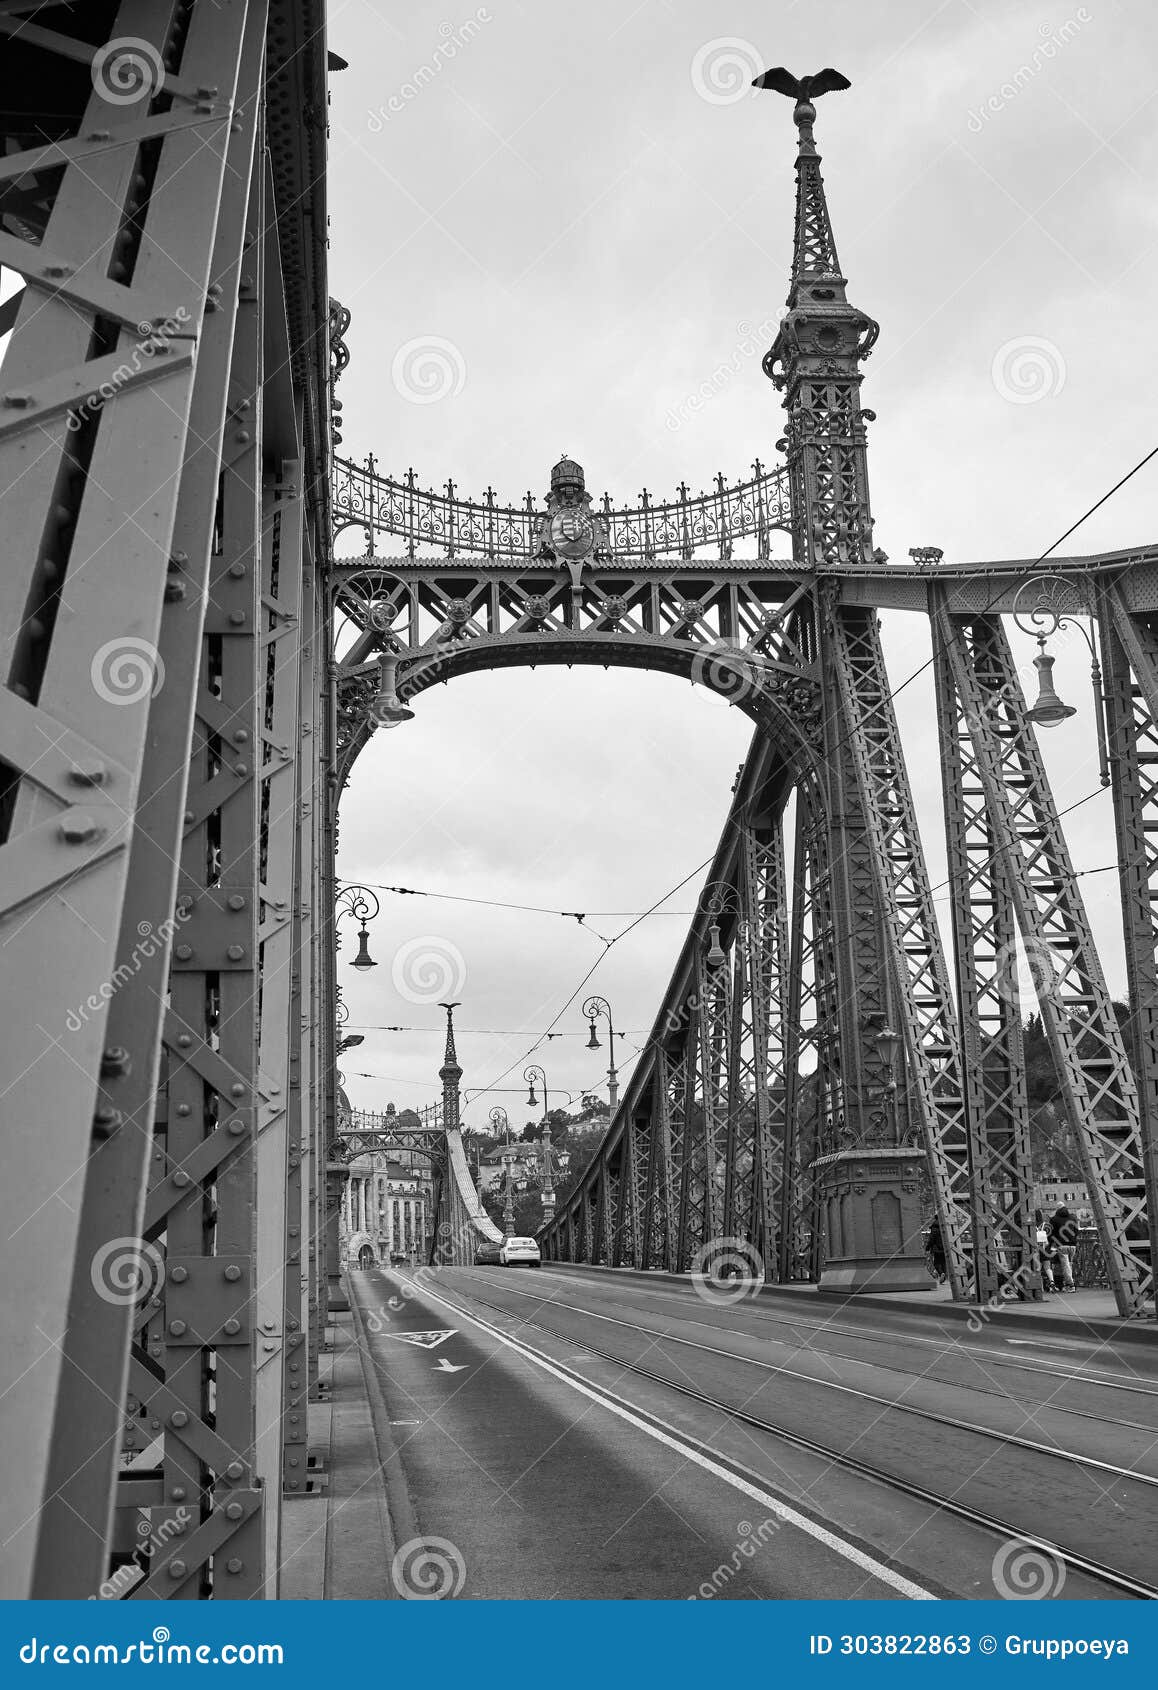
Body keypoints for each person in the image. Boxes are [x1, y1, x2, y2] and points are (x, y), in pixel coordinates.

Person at [1048, 1205, 1078, 1292]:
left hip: (1061, 1245)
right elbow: (1076, 1231)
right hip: (1073, 1245)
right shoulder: (1073, 1217)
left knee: (1065, 1266)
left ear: (1057, 1209)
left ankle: (1070, 1285)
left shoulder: (1054, 1219)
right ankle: (1069, 1283)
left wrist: (1051, 1243)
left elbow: (1051, 1233)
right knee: (1069, 1265)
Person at [1033, 1208, 1056, 1295]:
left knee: (1037, 1268)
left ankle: (1041, 1287)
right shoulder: (1047, 1225)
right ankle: (1052, 1282)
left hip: (1036, 1249)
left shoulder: (1031, 1226)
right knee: (1047, 1267)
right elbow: (1052, 1237)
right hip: (1046, 1248)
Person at [925, 1215, 947, 1283]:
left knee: (936, 1263)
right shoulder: (945, 1226)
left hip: (936, 1248)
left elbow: (931, 1239)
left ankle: (941, 1274)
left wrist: (927, 1247)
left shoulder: (934, 1228)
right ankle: (943, 1276)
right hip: (945, 1248)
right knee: (943, 1262)